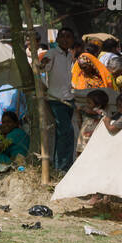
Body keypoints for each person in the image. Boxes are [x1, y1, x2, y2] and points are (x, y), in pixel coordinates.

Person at [38, 27, 77, 171]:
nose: (65, 39)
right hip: (56, 99)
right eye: (62, 36)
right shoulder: (52, 53)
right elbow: (44, 68)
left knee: (68, 133)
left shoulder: (69, 55)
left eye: (69, 37)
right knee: (65, 132)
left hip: (68, 99)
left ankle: (65, 166)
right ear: (57, 39)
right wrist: (42, 64)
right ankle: (60, 168)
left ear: (72, 40)